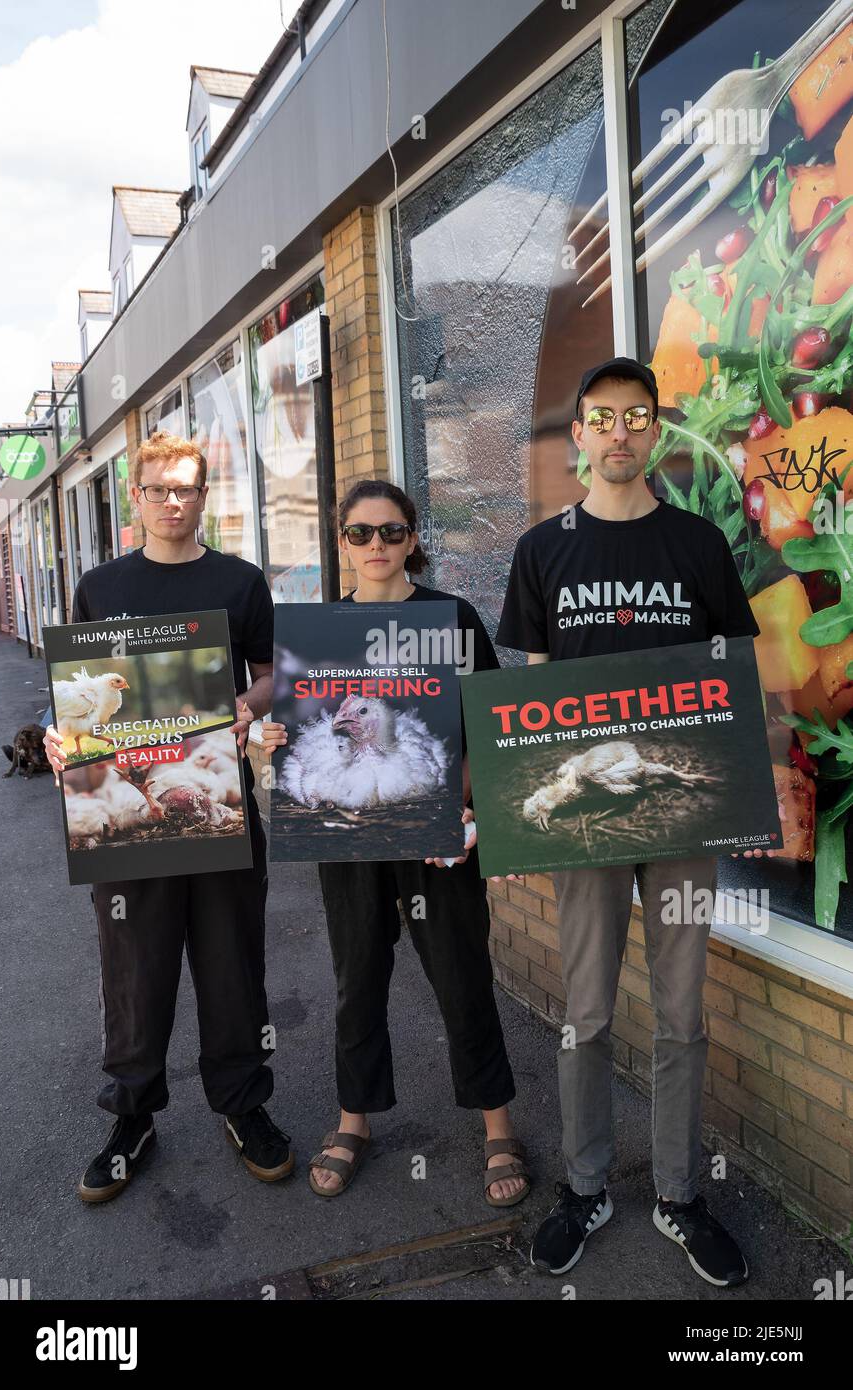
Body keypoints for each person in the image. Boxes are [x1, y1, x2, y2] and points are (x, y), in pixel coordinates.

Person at [495, 357, 760, 1286]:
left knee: (682, 1014)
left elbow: (736, 679)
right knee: (586, 1012)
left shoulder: (695, 545)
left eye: (634, 418)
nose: (617, 434)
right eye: (600, 418)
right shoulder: (542, 551)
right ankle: (584, 1188)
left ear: (653, 433)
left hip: (682, 831)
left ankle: (681, 1196)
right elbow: (527, 692)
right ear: (580, 435)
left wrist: (737, 789)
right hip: (581, 826)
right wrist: (526, 811)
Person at [262, 479, 530, 1205]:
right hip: (349, 846)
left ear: (412, 538)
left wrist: (462, 806)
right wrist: (277, 742)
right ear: (341, 541)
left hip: (440, 836)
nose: (375, 546)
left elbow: (487, 724)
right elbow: (291, 745)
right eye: (359, 533)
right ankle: (354, 1119)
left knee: (460, 972)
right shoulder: (315, 634)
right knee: (356, 979)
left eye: (390, 532)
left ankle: (496, 1125)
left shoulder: (452, 619)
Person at [44, 430, 294, 1202]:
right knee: (134, 972)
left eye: (186, 488)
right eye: (158, 490)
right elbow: (78, 696)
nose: (173, 501)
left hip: (216, 801)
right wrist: (61, 742)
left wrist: (247, 711)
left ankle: (243, 1104)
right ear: (137, 498)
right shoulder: (100, 586)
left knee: (231, 966)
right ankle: (131, 1116)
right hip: (127, 816)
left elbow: (269, 678)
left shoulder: (242, 582)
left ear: (203, 494)